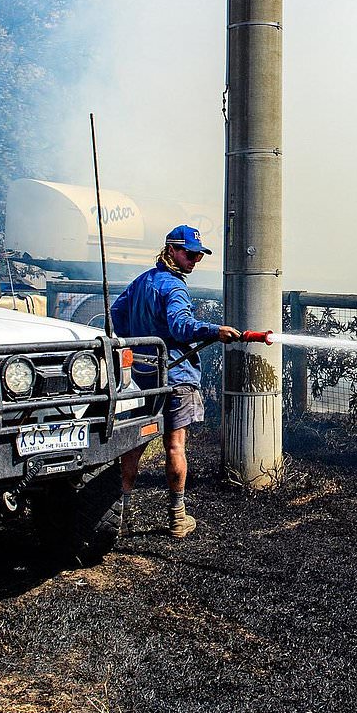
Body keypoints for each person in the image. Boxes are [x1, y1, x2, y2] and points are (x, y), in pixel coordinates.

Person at [111, 224, 240, 538]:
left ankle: (119, 517)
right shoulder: (175, 287)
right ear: (171, 250)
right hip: (176, 376)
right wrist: (214, 330)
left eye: (197, 255)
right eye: (189, 253)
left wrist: (137, 342)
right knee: (175, 446)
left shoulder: (141, 282)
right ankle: (178, 519)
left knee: (133, 445)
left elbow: (116, 312)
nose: (194, 259)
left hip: (143, 376)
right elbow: (181, 327)